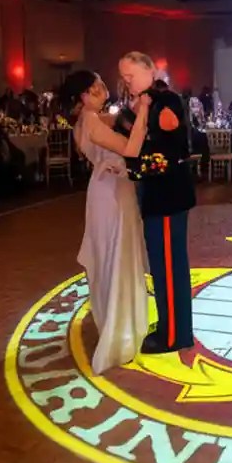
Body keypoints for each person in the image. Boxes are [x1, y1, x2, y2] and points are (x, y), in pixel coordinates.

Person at [63, 70, 152, 374]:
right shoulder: (90, 122)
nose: (102, 90)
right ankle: (119, 332)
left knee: (113, 258)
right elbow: (131, 149)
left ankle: (119, 324)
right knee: (116, 259)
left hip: (110, 188)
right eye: (96, 87)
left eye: (101, 84)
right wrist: (144, 112)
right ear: (83, 96)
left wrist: (132, 110)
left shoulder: (88, 120)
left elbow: (116, 122)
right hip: (110, 195)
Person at [118, 51, 197, 355]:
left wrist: (133, 165)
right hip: (160, 195)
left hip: (166, 196)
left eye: (131, 75)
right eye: (123, 77)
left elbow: (165, 149)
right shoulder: (147, 102)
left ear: (149, 70)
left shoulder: (165, 101)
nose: (126, 81)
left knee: (168, 267)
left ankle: (174, 334)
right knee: (163, 266)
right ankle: (171, 324)